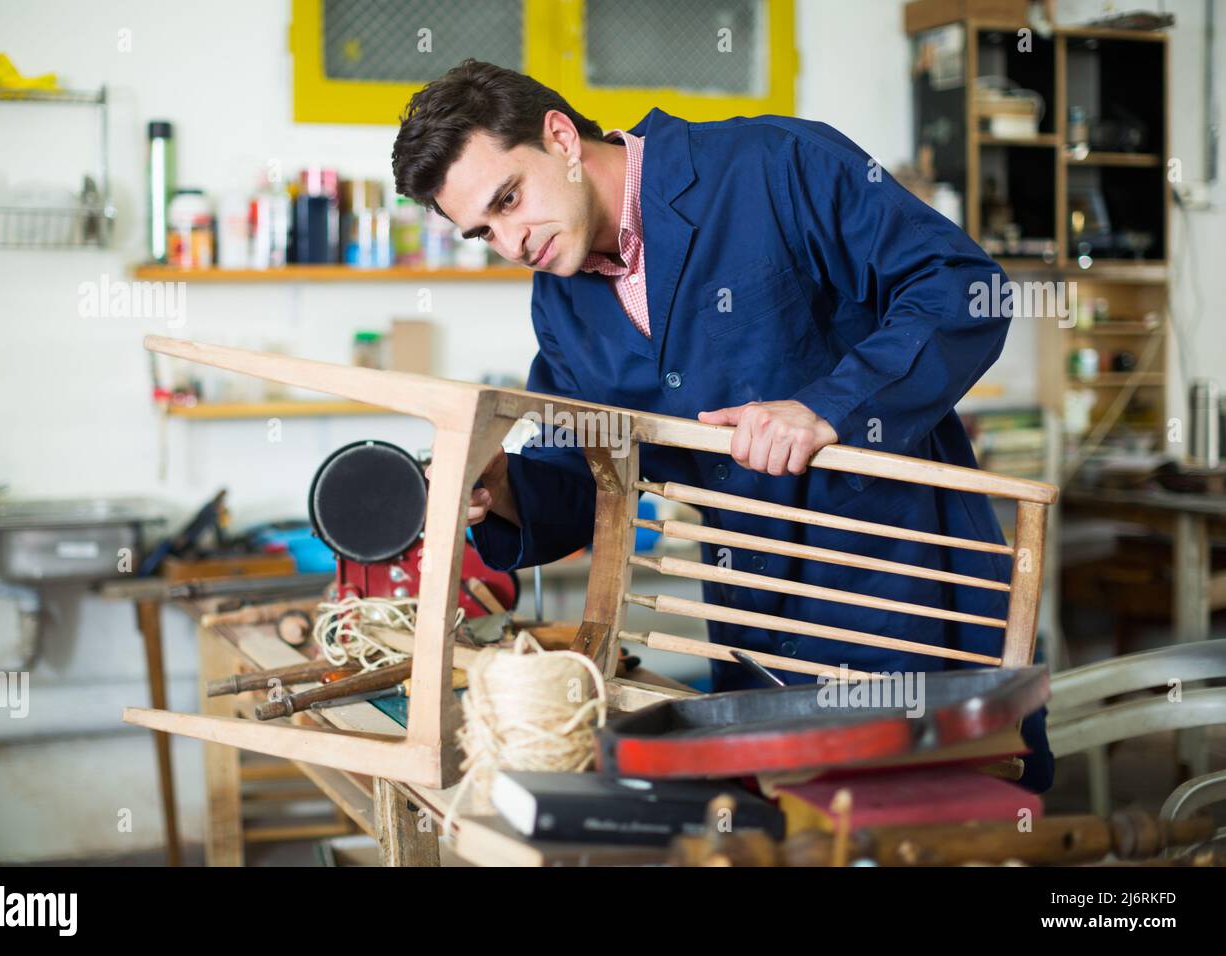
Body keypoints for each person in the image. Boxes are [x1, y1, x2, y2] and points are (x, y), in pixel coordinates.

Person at [391, 60, 1052, 791]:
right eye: (484, 232)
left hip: (900, 597)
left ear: (560, 138)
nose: (511, 242)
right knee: (777, 833)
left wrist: (830, 405)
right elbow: (583, 477)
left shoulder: (776, 165)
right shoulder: (560, 301)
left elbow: (965, 289)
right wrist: (500, 487)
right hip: (750, 622)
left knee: (928, 821)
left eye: (509, 200)